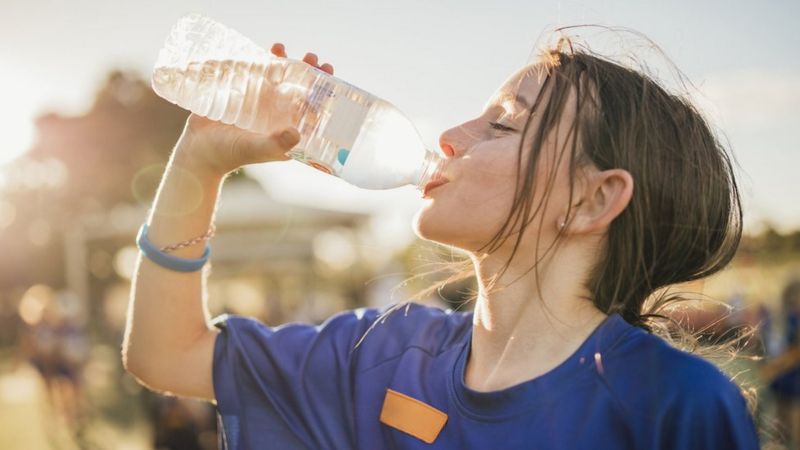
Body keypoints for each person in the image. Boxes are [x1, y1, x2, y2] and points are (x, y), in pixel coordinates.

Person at [122, 33, 760, 449]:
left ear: (591, 200)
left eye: (502, 124)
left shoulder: (673, 406)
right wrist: (199, 163)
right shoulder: (384, 354)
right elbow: (166, 354)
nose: (451, 136)